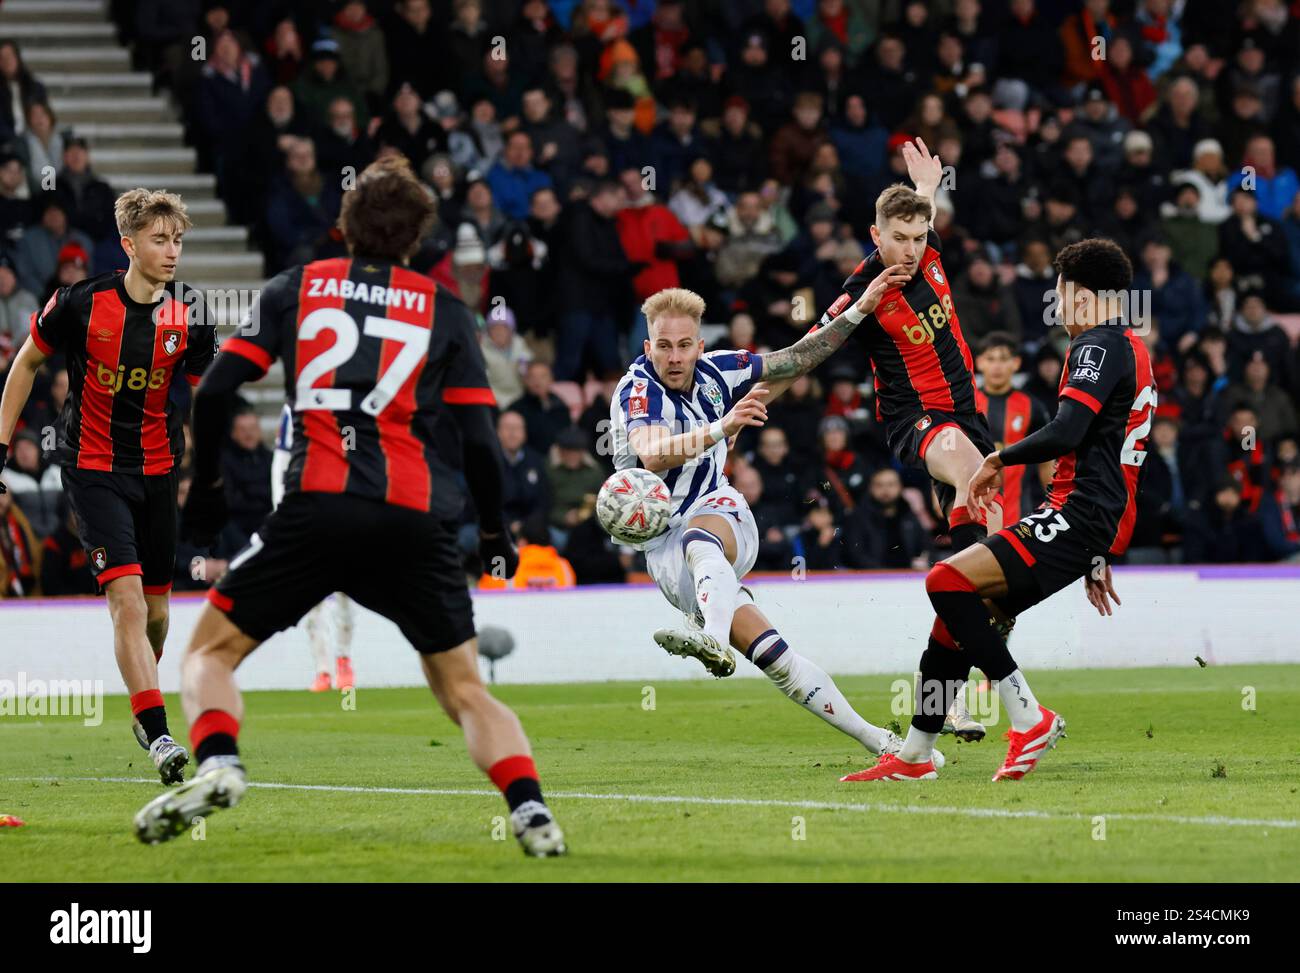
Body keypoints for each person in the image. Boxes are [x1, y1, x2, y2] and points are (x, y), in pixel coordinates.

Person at [133, 158, 565, 857]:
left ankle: (220, 760)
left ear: (340, 229)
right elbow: (481, 440)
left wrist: (208, 486)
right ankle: (532, 811)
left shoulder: (294, 288)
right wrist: (493, 528)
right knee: (464, 690)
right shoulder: (446, 310)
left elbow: (212, 393)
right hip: (413, 522)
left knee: (209, 651)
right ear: (419, 242)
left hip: (317, 509)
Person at [842, 238, 1155, 783]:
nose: (1056, 305)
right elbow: (1120, 454)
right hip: (1090, 519)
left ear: (1076, 294)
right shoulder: (1132, 346)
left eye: (1059, 293)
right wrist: (1101, 550)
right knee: (954, 622)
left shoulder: (1096, 348)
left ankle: (1029, 717)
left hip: (1077, 512)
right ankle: (915, 756)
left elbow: (1069, 432)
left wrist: (997, 459)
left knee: (946, 581)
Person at [610, 286, 944, 767]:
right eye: (664, 346)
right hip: (664, 551)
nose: (675, 356)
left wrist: (857, 310)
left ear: (700, 345)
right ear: (648, 348)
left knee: (699, 534)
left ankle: (712, 637)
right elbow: (653, 452)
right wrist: (723, 427)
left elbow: (795, 359)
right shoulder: (637, 389)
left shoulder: (720, 369)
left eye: (685, 345)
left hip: (715, 510)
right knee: (777, 659)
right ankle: (885, 744)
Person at [0, 189, 216, 783]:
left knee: (156, 616)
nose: (172, 252)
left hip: (158, 471)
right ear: (128, 245)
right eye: (159, 240)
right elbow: (25, 364)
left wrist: (206, 449)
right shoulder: (79, 303)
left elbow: (205, 387)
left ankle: (140, 702)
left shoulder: (191, 314)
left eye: (177, 240)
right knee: (123, 600)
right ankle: (160, 732)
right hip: (93, 469)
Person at [271, 403, 355, 693]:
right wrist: (281, 511)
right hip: (305, 509)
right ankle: (322, 669)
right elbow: (281, 462)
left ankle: (343, 657)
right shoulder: (293, 410)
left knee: (346, 590)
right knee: (311, 595)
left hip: (343, 509)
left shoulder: (349, 407)